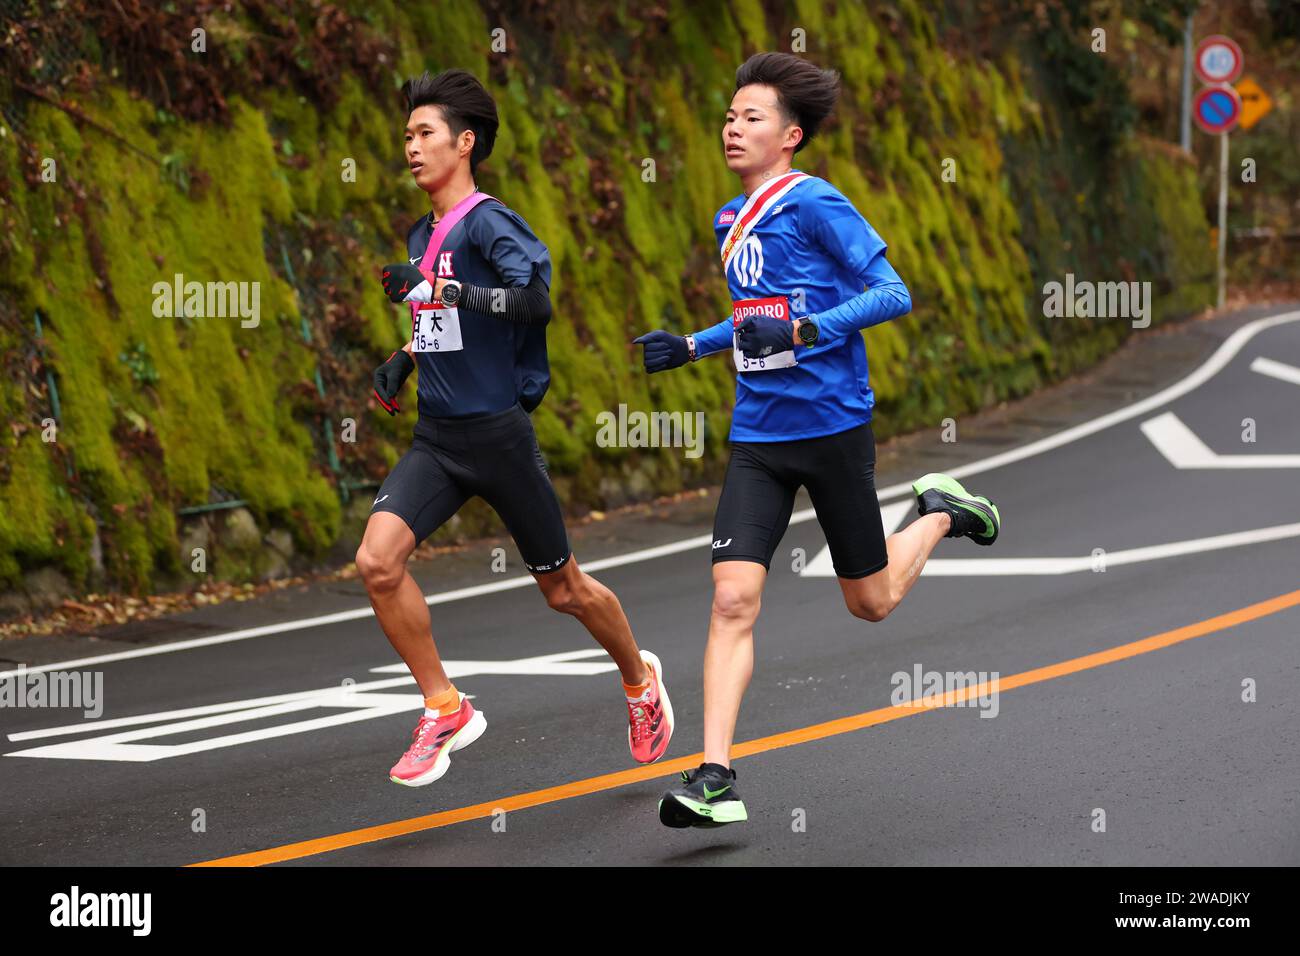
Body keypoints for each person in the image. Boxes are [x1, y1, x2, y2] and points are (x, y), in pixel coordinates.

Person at [633, 53, 1000, 827]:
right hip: (759, 433)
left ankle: (939, 511)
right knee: (732, 596)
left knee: (868, 602)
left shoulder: (817, 204)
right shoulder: (729, 220)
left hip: (833, 426)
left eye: (752, 117)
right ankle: (715, 776)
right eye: (730, 116)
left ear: (791, 135)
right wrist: (693, 345)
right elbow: (754, 319)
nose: (734, 128)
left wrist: (809, 327)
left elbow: (892, 293)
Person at [361, 69, 673, 787]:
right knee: (377, 563)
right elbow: (448, 323)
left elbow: (532, 303)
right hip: (438, 441)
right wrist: (403, 361)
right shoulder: (422, 231)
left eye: (425, 134)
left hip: (498, 438)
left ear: (464, 143)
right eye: (406, 135)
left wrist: (443, 288)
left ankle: (639, 680)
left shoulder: (490, 222)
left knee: (564, 590)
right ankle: (445, 708)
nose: (411, 147)